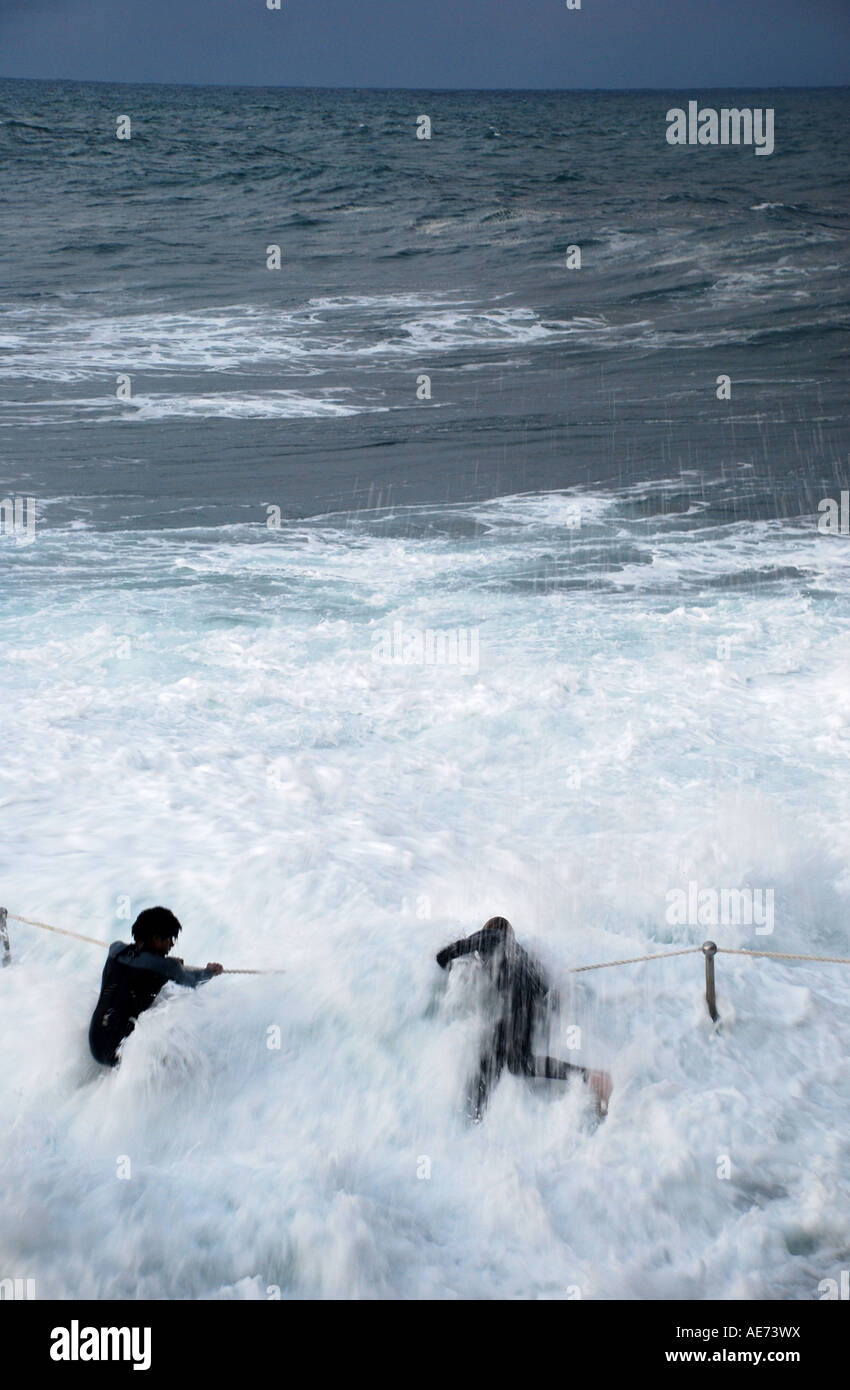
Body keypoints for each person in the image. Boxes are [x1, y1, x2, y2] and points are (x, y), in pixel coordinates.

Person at [436, 916, 612, 1119]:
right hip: (529, 1009)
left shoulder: (488, 936)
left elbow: (447, 954)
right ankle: (590, 1076)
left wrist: (445, 969)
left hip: (518, 1006)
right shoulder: (522, 954)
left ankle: (474, 1116)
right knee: (519, 1063)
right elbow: (544, 991)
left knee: (492, 1056)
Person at [89, 906, 223, 1068]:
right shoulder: (167, 967)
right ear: (156, 939)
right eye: (169, 939)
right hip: (121, 1051)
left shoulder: (116, 950)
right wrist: (209, 972)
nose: (172, 944)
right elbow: (193, 982)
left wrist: (168, 965)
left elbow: (143, 961)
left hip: (95, 1042)